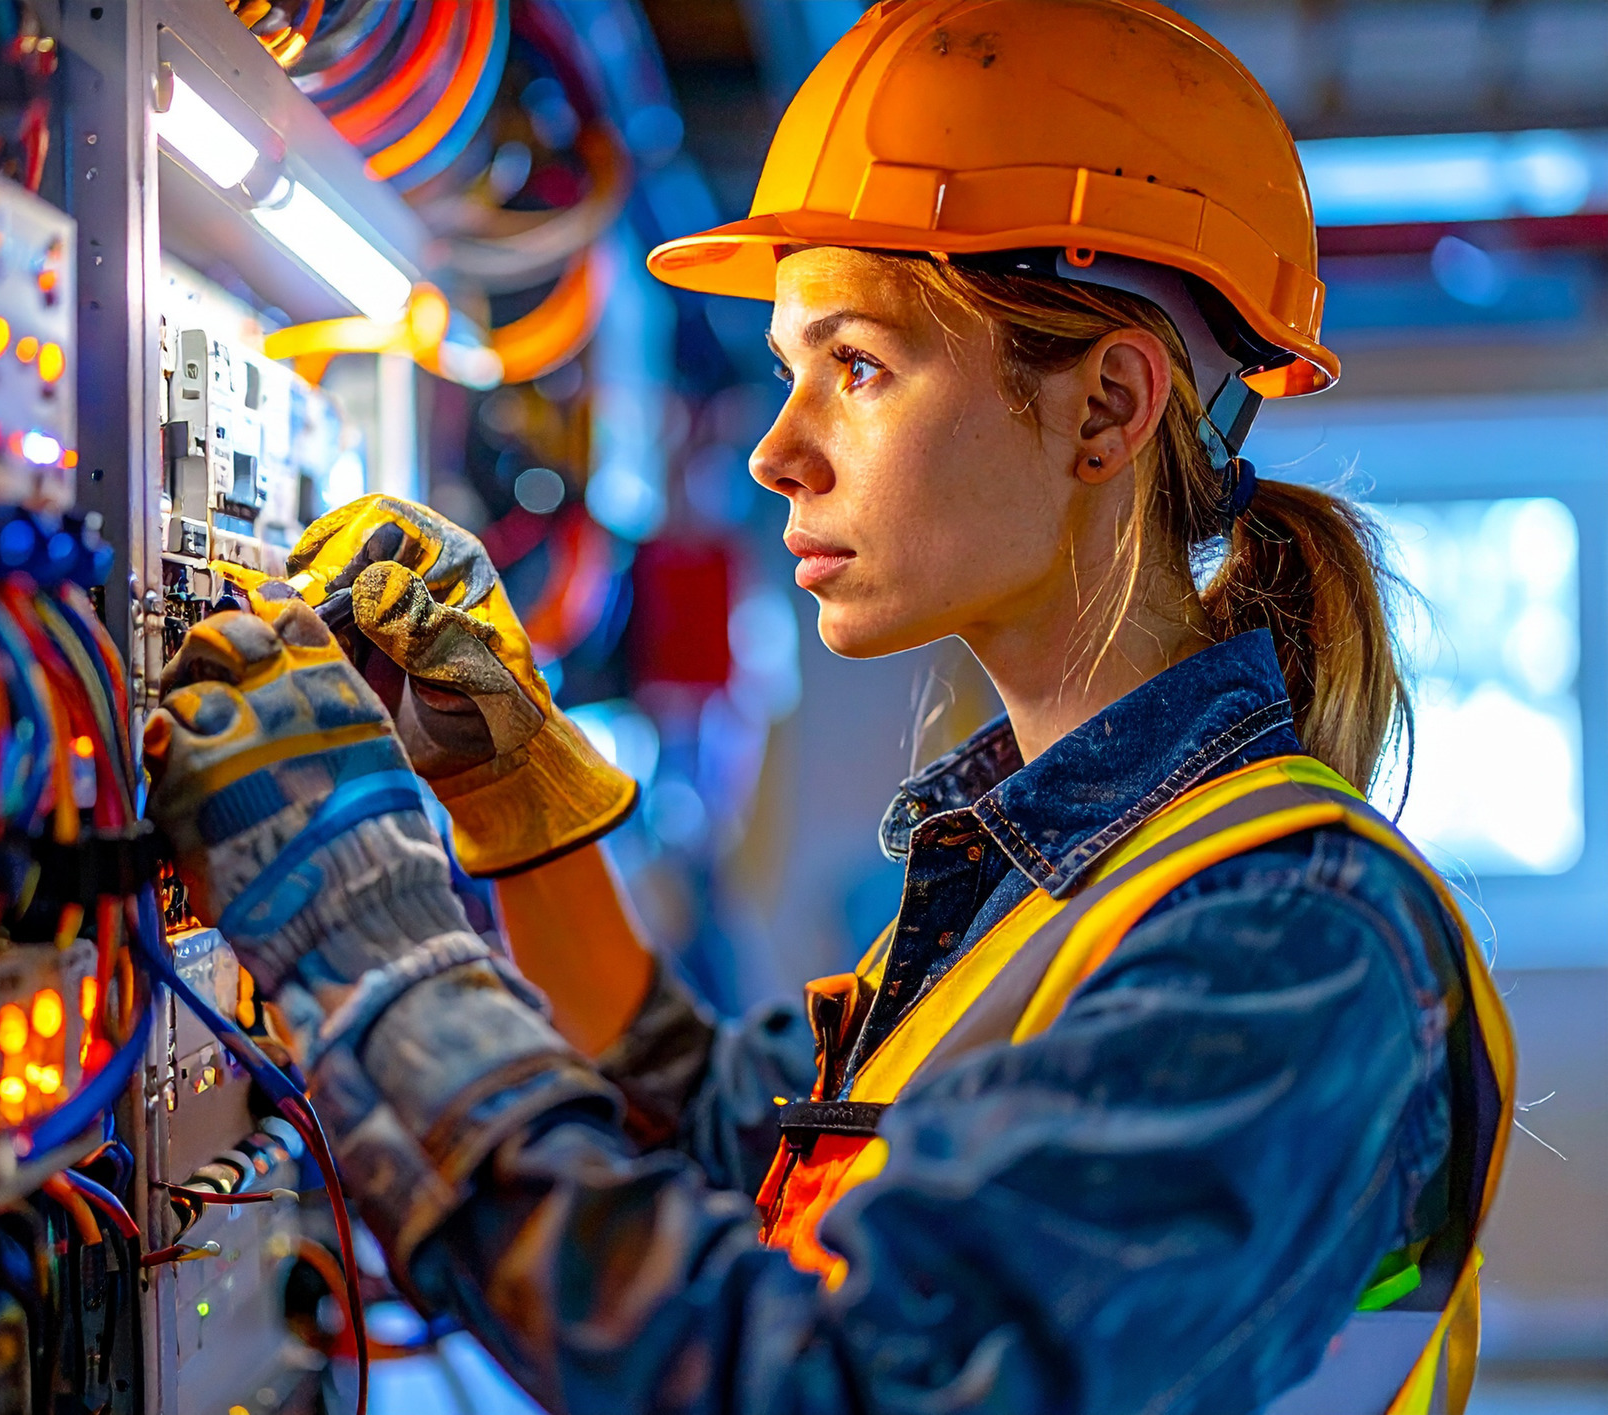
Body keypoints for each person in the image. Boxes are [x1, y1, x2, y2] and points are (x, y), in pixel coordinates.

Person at [144, 3, 1515, 1411]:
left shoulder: (1289, 947)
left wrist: (367, 942)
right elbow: (706, 1136)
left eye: (856, 367)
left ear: (1107, 408)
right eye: (793, 369)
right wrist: (517, 785)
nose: (776, 450)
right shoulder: (1040, 888)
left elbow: (825, 1386)